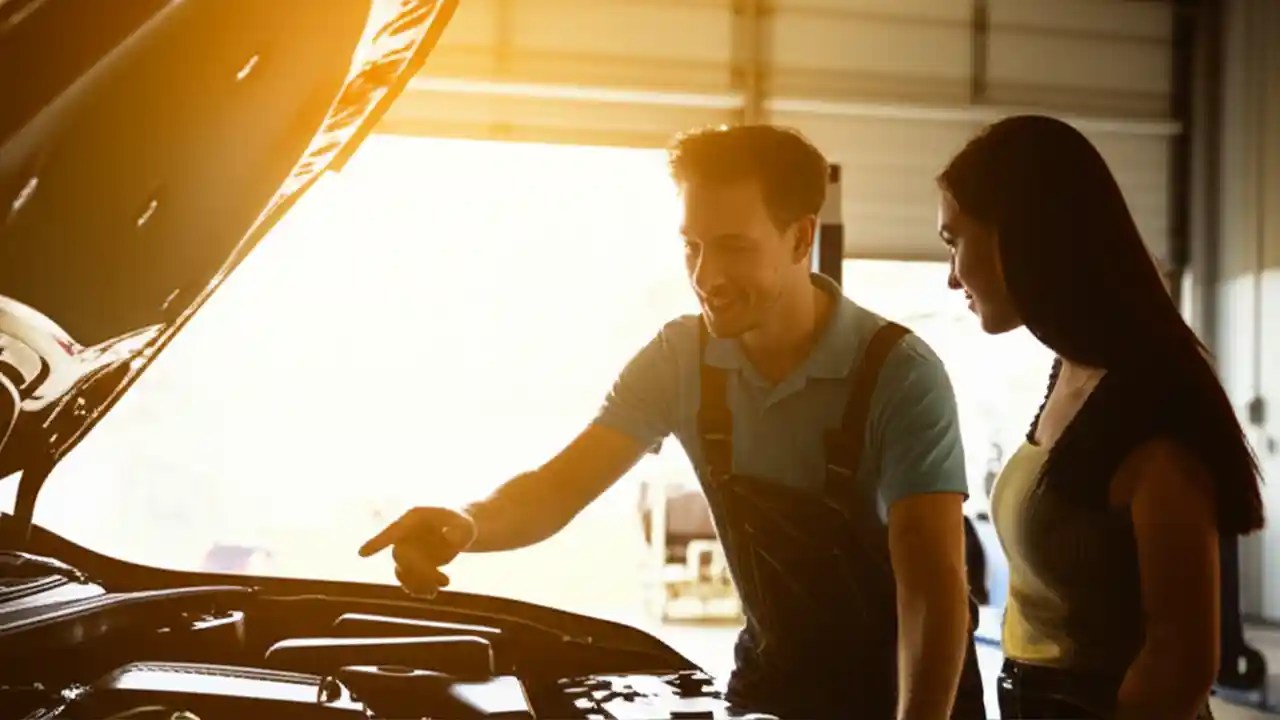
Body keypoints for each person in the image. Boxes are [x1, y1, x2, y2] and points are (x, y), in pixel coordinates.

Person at [361, 124, 987, 719]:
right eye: (693, 245)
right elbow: (556, 489)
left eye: (733, 248)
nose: (705, 276)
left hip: (912, 697)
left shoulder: (899, 375)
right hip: (774, 688)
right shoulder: (679, 360)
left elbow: (931, 586)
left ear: (800, 239)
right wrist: (468, 524)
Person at [936, 114, 1267, 720]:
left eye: (954, 240)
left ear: (1019, 233)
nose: (952, 272)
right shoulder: (1070, 376)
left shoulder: (1150, 406)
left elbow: (1182, 659)